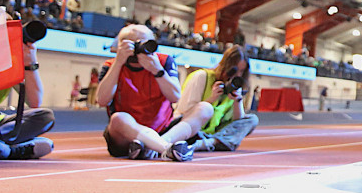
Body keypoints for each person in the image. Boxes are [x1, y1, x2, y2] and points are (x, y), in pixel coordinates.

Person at [97, 24, 211, 161]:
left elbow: (174, 97)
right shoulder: (111, 65)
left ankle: (154, 145)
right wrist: (119, 63)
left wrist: (157, 71)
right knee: (118, 119)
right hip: (126, 134)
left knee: (205, 108)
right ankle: (165, 148)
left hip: (163, 129)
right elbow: (102, 100)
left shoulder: (163, 62)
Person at [176, 46, 259, 152]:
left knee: (252, 120)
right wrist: (211, 99)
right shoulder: (202, 77)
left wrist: (237, 100)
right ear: (226, 66)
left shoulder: (234, 89)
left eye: (241, 71)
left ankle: (209, 143)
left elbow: (237, 123)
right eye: (235, 70)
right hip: (191, 129)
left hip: (211, 134)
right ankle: (212, 142)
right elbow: (184, 113)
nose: (237, 75)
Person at [0, 26, 55, 160]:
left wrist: (30, 63)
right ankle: (9, 151)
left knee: (44, 117)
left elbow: (35, 102)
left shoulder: (9, 62)